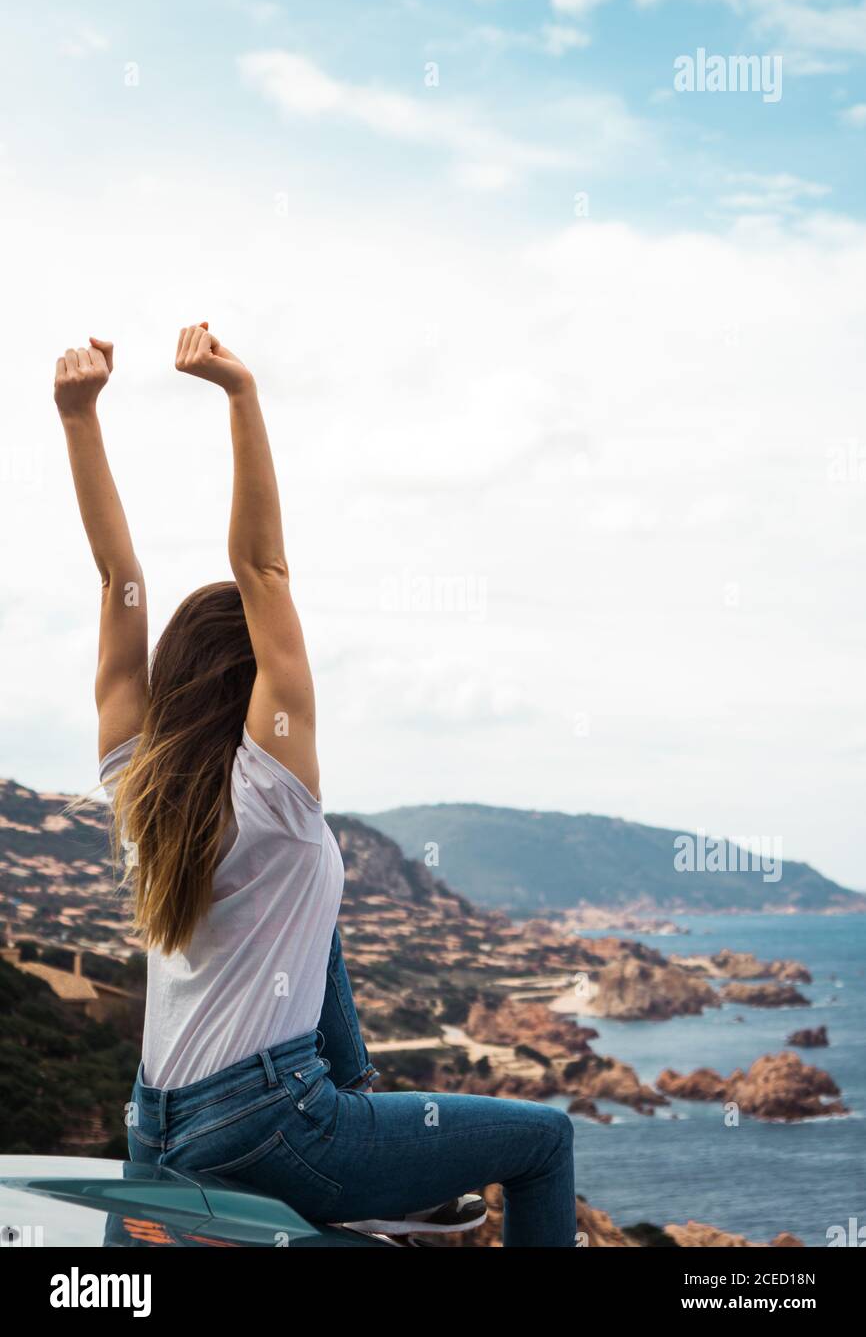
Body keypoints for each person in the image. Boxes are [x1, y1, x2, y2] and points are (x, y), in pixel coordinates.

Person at [54, 326, 577, 1247]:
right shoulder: (274, 784)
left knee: (313, 893)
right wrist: (240, 394)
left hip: (154, 1134)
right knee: (546, 1140)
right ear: (254, 677)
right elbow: (264, 569)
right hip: (269, 1130)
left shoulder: (136, 784)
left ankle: (373, 1159)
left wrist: (78, 415)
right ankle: (368, 1165)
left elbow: (116, 582)